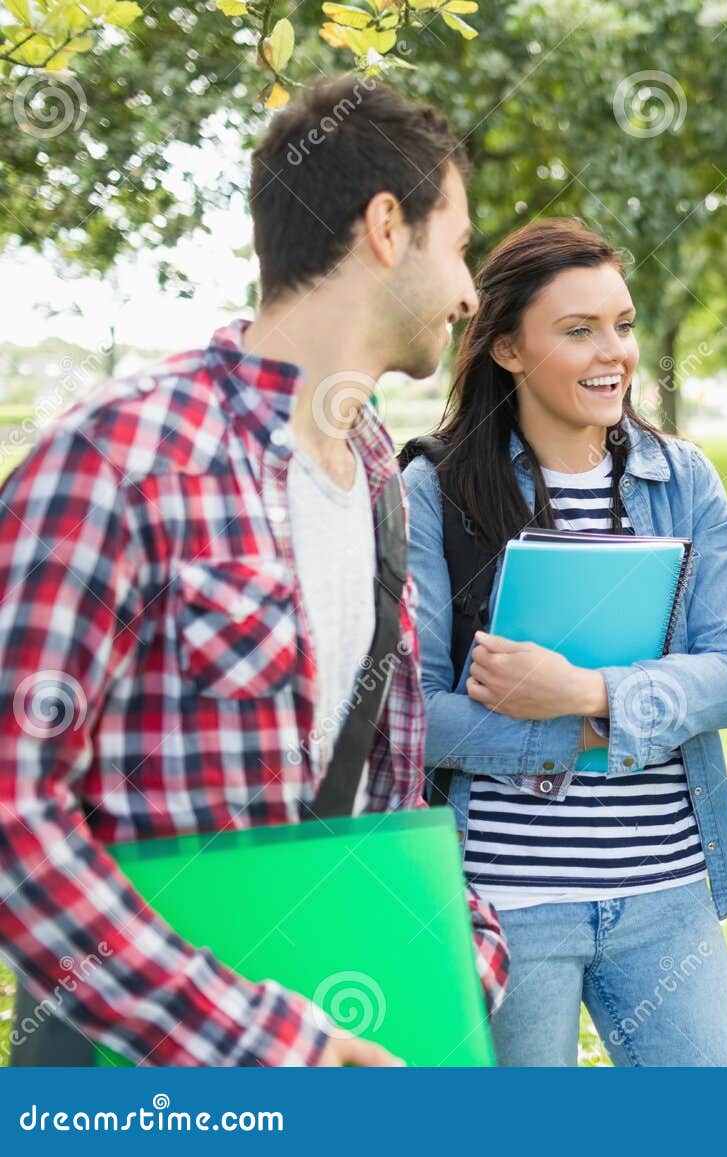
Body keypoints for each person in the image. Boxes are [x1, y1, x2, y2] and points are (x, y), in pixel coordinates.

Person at [0, 77, 507, 1066]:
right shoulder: (122, 452)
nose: (468, 292)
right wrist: (260, 1039)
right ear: (386, 227)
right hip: (132, 1071)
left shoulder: (372, 470)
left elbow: (382, 789)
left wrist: (457, 939)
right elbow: (14, 803)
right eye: (458, 244)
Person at [401, 218, 727, 1066]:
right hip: (507, 899)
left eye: (624, 325)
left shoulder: (682, 478)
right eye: (578, 329)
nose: (615, 353)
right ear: (508, 349)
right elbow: (413, 710)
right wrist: (591, 733)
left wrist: (589, 695)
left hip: (669, 889)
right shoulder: (434, 490)